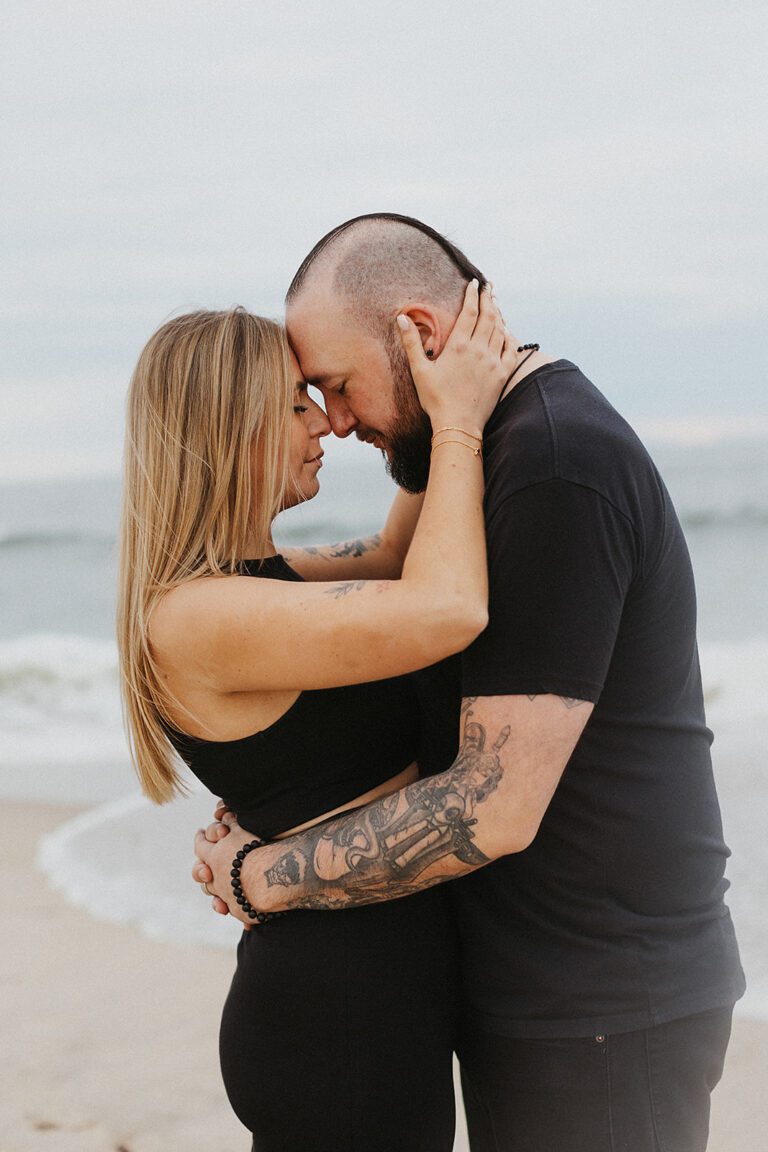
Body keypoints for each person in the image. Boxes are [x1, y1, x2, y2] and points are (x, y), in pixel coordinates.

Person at [195, 214, 746, 1152]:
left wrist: (265, 878)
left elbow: (492, 807)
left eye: (335, 384)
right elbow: (394, 576)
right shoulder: (495, 454)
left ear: (419, 332)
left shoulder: (557, 467)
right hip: (540, 992)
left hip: (602, 1005)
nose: (335, 419)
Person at [117, 289, 515, 1151]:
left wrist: (417, 401)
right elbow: (448, 607)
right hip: (335, 1025)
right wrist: (458, 425)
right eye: (297, 402)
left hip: (368, 1004)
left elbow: (404, 557)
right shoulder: (199, 615)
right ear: (232, 425)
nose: (324, 425)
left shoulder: (262, 580)